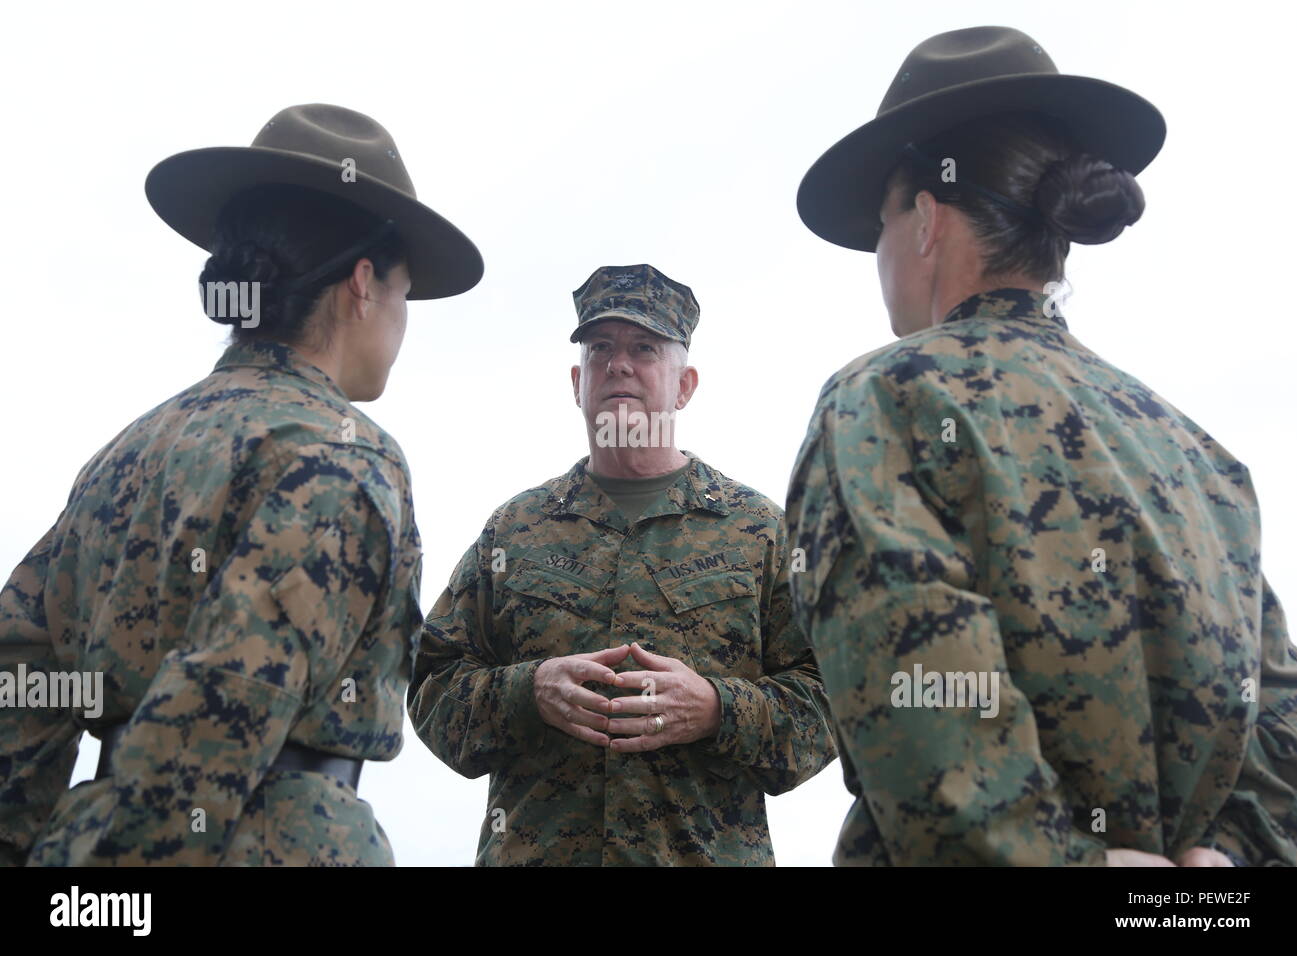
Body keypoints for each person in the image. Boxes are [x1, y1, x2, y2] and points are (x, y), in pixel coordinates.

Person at [786, 26, 1297, 866]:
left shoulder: (887, 400)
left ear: (924, 221)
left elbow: (924, 720)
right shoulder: (1192, 449)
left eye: (879, 223)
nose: (877, 254)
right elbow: (1280, 719)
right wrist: (1229, 862)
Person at [0, 103, 483, 865]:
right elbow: (224, 701)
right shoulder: (343, 454)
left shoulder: (127, 451)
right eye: (404, 292)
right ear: (363, 284)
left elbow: (21, 683)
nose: (402, 319)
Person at [408, 263, 835, 865]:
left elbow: (830, 701)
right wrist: (528, 692)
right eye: (601, 348)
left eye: (644, 348)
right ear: (577, 380)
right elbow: (432, 685)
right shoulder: (516, 530)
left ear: (684, 385)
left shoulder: (759, 530)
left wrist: (717, 710)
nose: (619, 365)